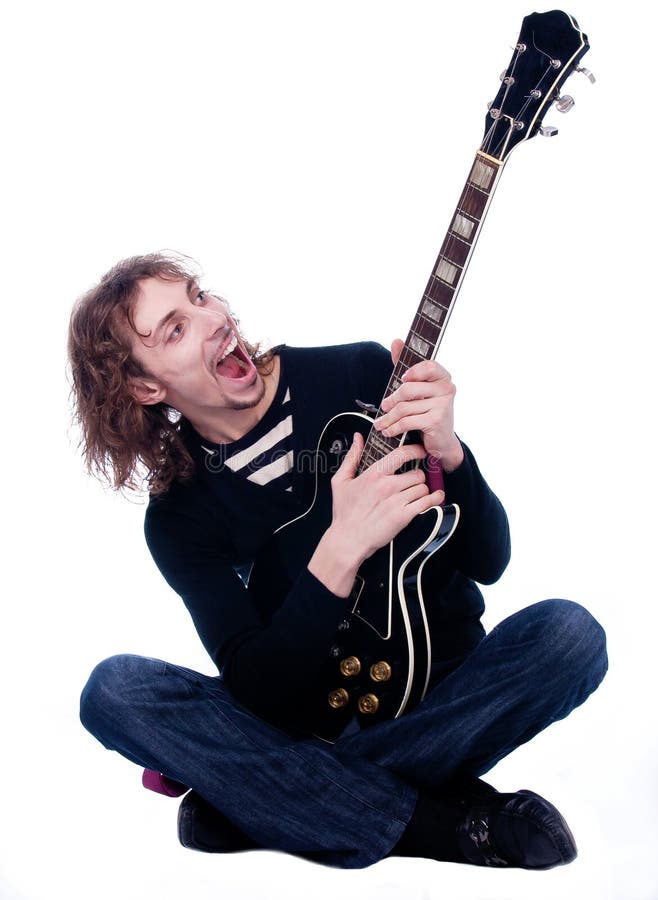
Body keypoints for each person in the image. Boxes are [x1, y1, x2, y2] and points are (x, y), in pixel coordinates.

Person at [69, 251, 607, 870]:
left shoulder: (359, 373)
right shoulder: (178, 517)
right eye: (175, 330)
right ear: (145, 387)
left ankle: (267, 803)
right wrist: (341, 547)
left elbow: (489, 561)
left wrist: (451, 452)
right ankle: (437, 826)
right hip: (299, 714)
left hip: (440, 690)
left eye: (198, 295)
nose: (212, 318)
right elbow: (260, 689)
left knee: (571, 638)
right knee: (114, 692)